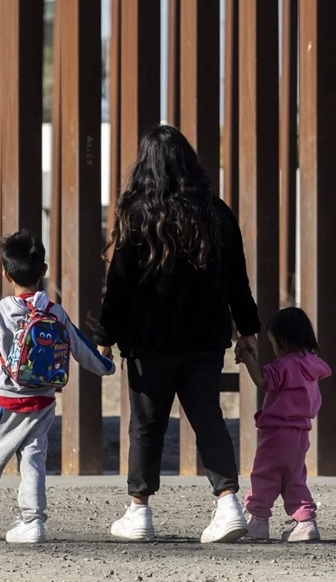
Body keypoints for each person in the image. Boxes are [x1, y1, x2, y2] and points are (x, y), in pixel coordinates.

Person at [95, 124, 261, 544]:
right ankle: (228, 504)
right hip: (205, 339)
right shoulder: (216, 212)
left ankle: (139, 512)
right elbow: (237, 279)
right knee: (208, 418)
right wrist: (249, 330)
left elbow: (120, 284)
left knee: (146, 426)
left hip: (150, 341)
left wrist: (106, 334)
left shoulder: (138, 215)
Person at [0, 229, 116, 544]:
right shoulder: (54, 312)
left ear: (5, 273)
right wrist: (106, 367)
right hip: (42, 400)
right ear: (44, 271)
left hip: (6, 401)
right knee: (34, 460)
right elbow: (81, 348)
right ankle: (33, 521)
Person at [235, 306, 331, 542]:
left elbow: (263, 381)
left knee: (265, 474)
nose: (274, 349)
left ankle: (257, 520)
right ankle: (306, 522)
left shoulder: (285, 365)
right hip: (300, 433)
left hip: (277, 432)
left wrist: (248, 359)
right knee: (294, 477)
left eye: (273, 343)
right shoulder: (312, 364)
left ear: (284, 342)